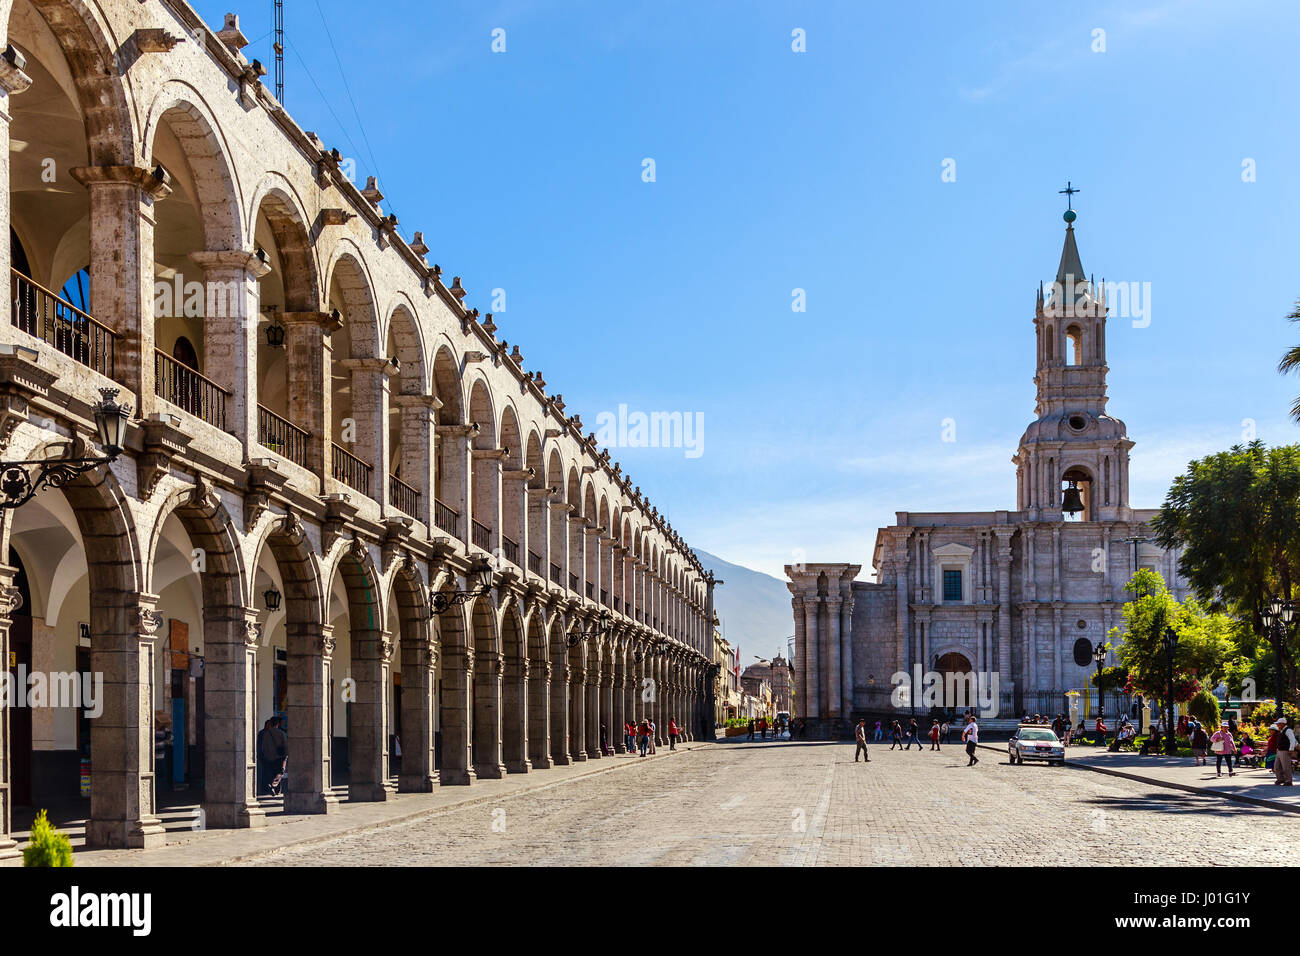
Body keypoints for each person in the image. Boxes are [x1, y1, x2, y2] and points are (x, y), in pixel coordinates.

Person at [1276, 717, 1298, 786]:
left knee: (1286, 766)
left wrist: (1291, 749)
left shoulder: (1288, 730)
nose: (1277, 725)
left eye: (1278, 724)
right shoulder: (1281, 730)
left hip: (1285, 751)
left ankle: (1288, 781)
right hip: (1279, 750)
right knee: (1277, 766)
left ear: (1282, 724)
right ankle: (1280, 779)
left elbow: (1292, 740)